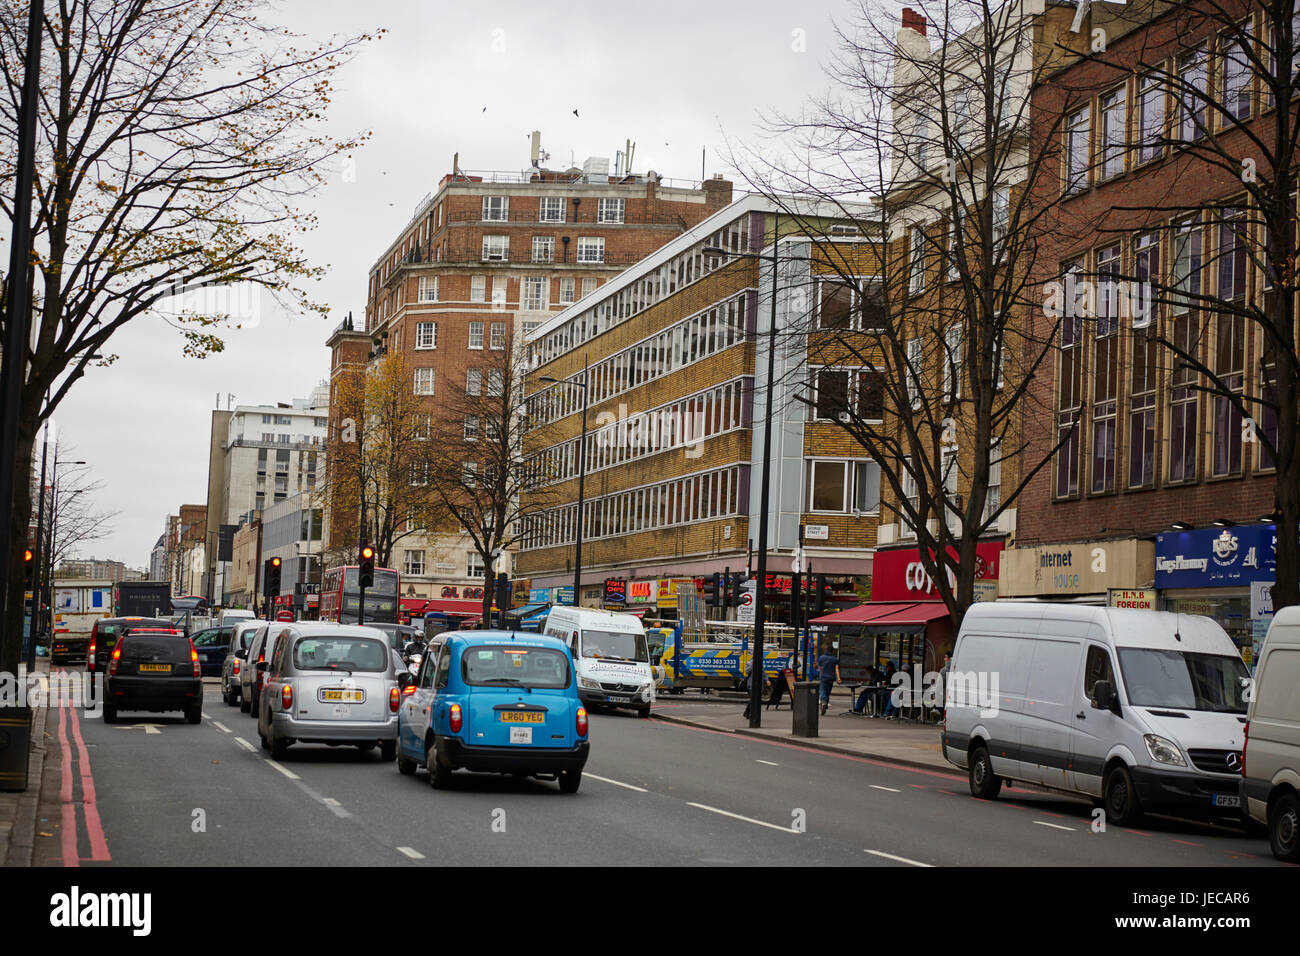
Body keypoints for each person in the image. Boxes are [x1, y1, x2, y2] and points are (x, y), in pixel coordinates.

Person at [816, 643, 841, 715]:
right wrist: (838, 678)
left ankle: (824, 702)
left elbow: (819, 668)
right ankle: (825, 703)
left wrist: (821, 674)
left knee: (822, 690)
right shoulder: (835, 659)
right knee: (828, 692)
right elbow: (836, 669)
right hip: (831, 678)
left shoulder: (821, 657)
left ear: (826, 650)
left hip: (823, 677)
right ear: (833, 651)